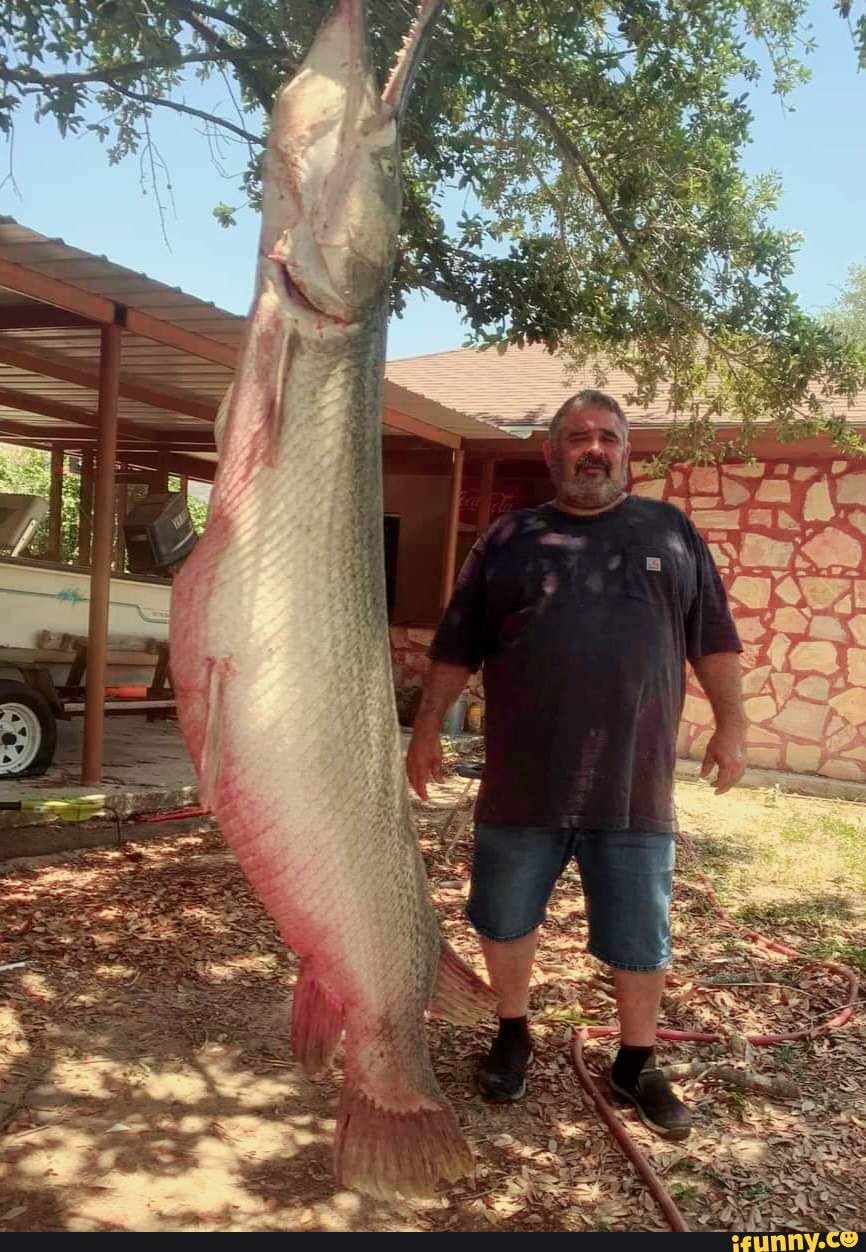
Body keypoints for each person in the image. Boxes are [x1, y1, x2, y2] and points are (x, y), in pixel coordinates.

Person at [406, 389, 746, 1140]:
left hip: (634, 783)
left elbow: (713, 639)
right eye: (578, 436)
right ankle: (514, 1030)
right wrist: (426, 728)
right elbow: (456, 647)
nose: (593, 448)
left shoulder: (671, 531)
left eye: (608, 437)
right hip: (523, 781)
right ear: (551, 451)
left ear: (626, 452)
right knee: (503, 918)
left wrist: (733, 725)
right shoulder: (508, 540)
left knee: (639, 934)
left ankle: (637, 1062)